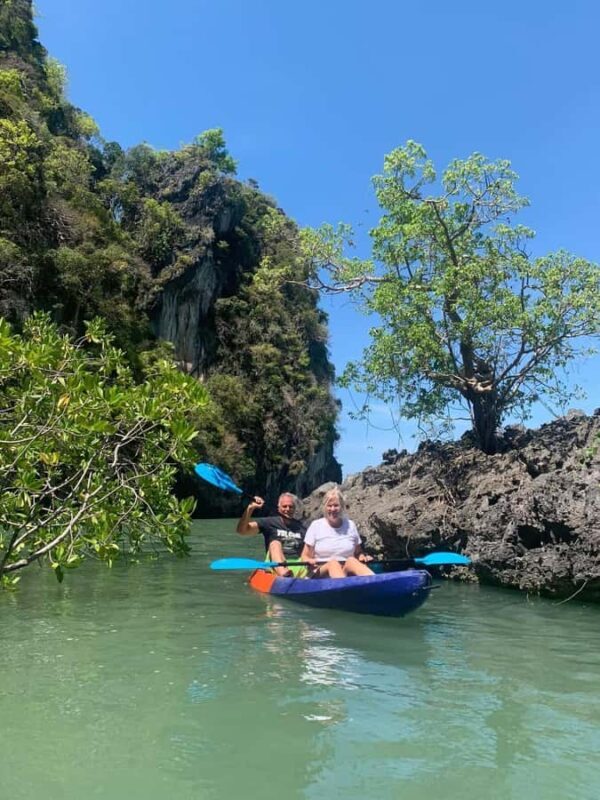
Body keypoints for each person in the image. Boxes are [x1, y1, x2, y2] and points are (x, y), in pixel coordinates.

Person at [300, 487, 374, 579]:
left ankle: (376, 582)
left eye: (336, 505)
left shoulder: (350, 525)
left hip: (345, 570)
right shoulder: (316, 525)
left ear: (342, 507)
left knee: (352, 560)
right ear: (325, 507)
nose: (332, 509)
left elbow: (358, 553)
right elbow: (305, 556)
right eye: (329, 506)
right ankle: (344, 589)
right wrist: (308, 561)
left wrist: (362, 557)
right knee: (333, 563)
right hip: (320, 572)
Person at [236, 493, 306, 577]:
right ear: (279, 508)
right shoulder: (269, 523)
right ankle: (284, 574)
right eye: (284, 506)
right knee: (275, 543)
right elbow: (242, 531)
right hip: (274, 565)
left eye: (291, 507)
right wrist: (250, 508)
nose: (287, 509)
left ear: (294, 509)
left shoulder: (302, 527)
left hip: (298, 564)